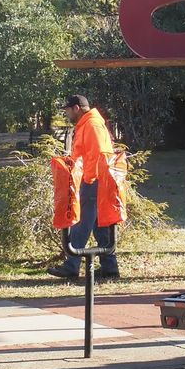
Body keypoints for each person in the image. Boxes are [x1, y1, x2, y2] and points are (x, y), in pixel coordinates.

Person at [48, 95, 120, 281]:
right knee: (100, 226)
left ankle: (71, 267)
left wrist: (89, 179)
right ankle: (110, 270)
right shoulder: (88, 124)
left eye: (67, 110)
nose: (66, 114)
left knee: (81, 225)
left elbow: (100, 154)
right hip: (96, 180)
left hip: (94, 181)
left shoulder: (91, 125)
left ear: (77, 108)